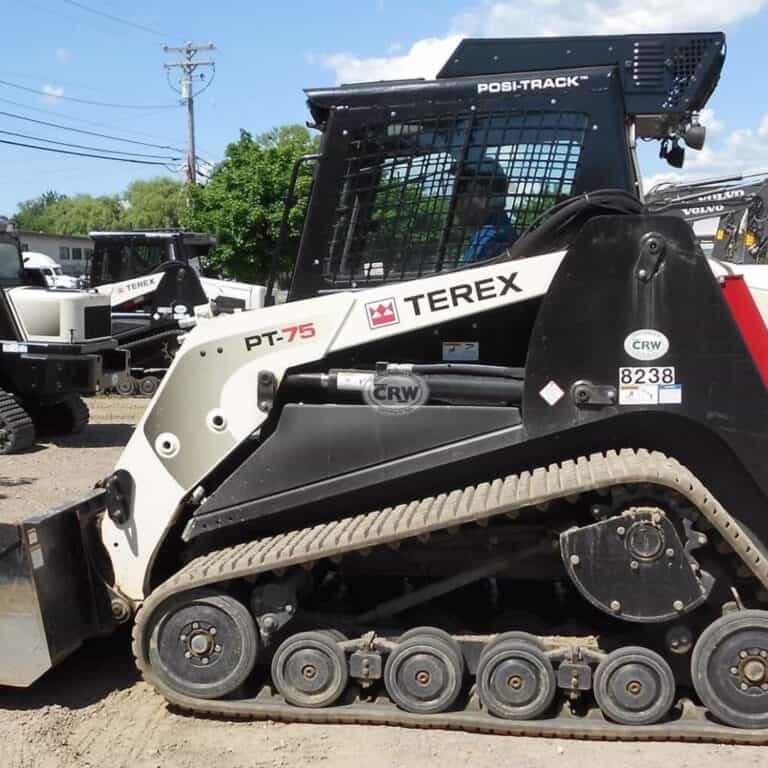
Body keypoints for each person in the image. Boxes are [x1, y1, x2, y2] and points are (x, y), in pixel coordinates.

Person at [454, 164, 517, 264]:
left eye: (461, 192)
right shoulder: (493, 234)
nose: (454, 202)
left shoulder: (489, 242)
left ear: (482, 196)